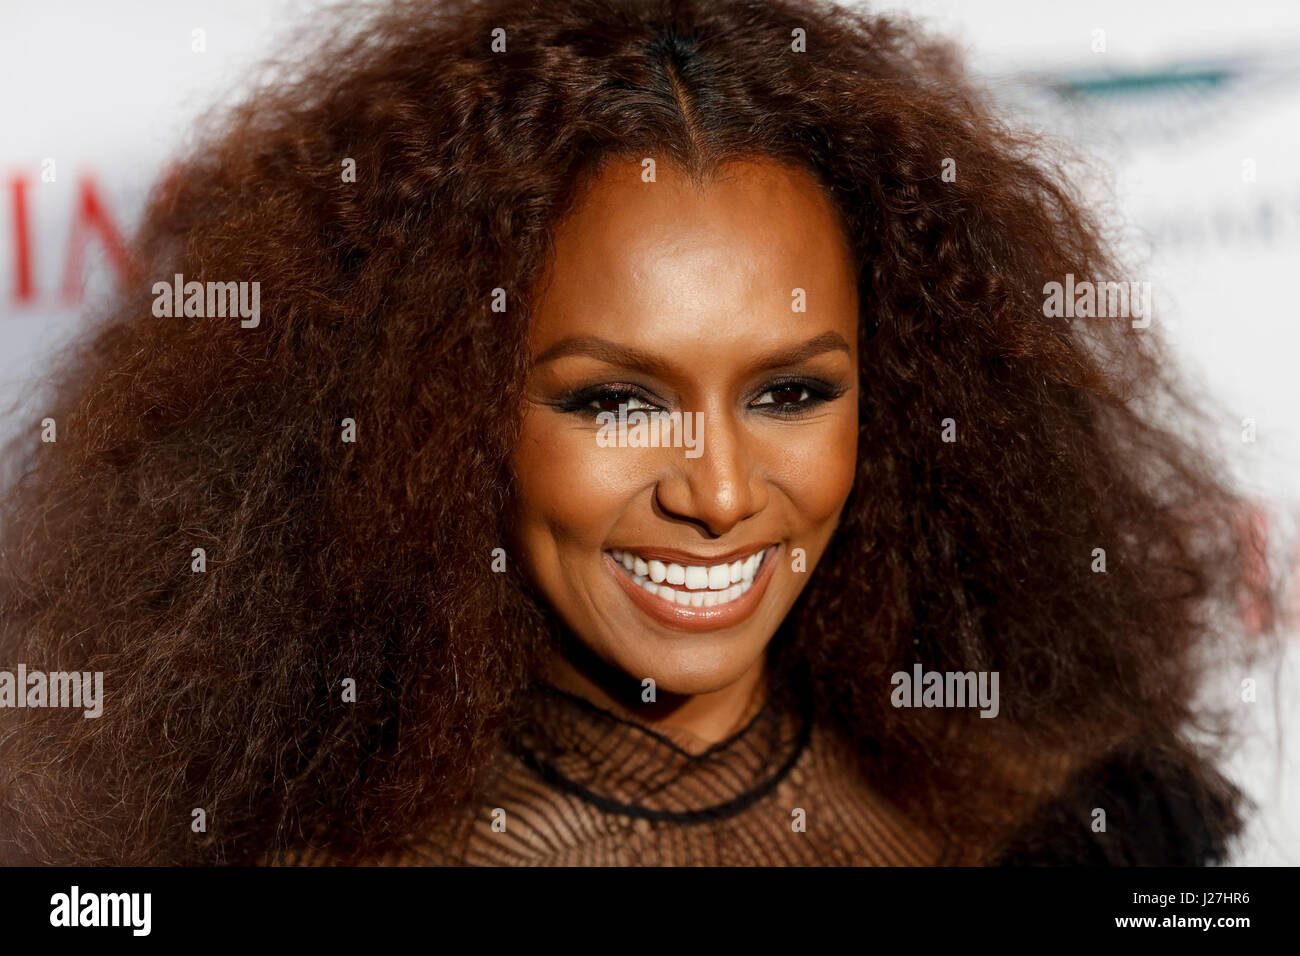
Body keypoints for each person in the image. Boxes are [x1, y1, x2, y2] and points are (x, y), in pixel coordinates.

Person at [0, 0, 1277, 866]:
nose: (720, 493)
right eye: (614, 400)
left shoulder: (1081, 823)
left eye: (791, 392)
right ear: (430, 423)